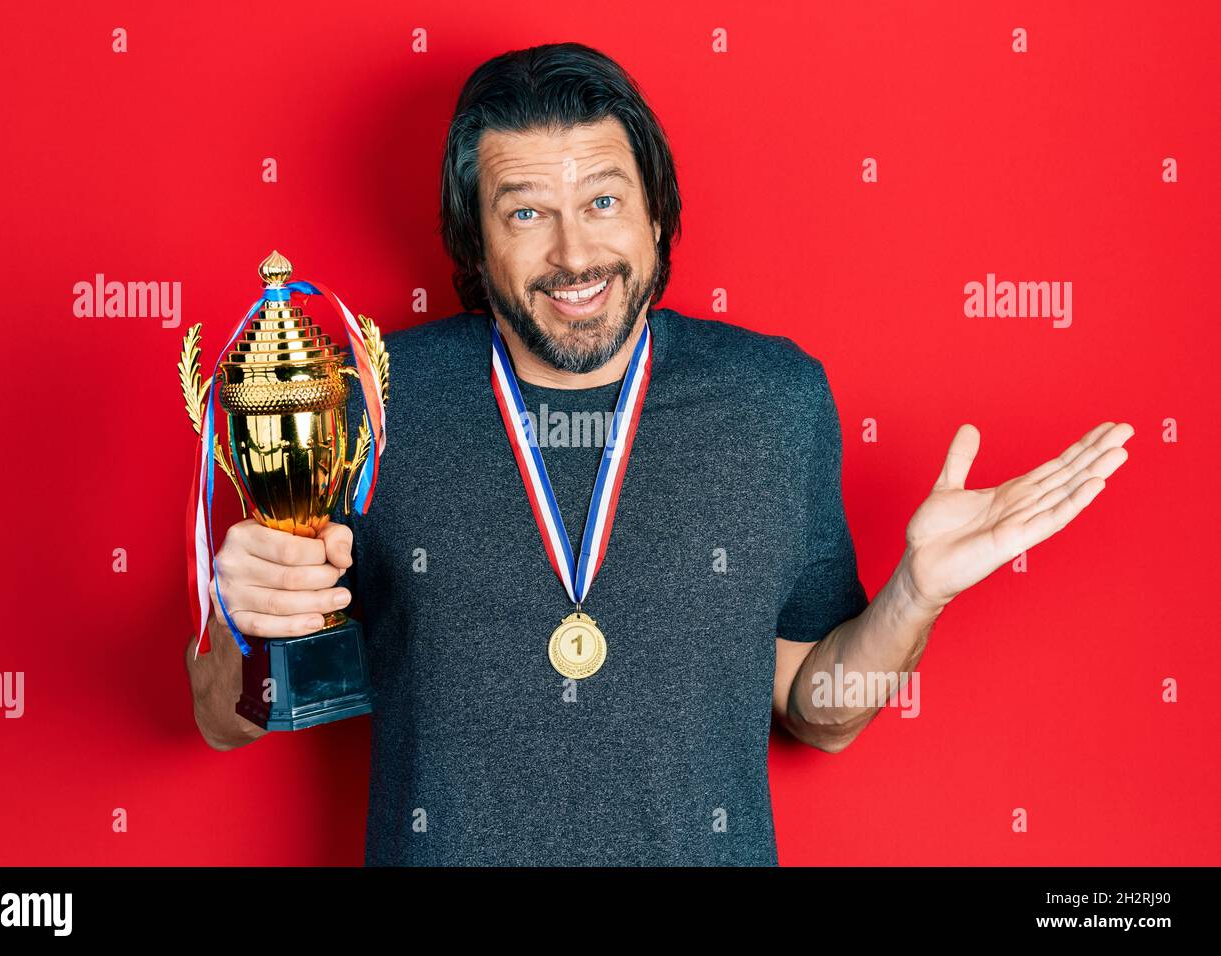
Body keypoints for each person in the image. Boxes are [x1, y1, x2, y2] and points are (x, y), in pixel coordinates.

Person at [184, 42, 1133, 866]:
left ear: (658, 216)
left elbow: (819, 714)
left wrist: (915, 595)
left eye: (603, 201)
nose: (573, 254)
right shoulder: (367, 399)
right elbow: (223, 720)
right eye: (524, 214)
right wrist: (232, 616)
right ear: (473, 237)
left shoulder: (774, 398)